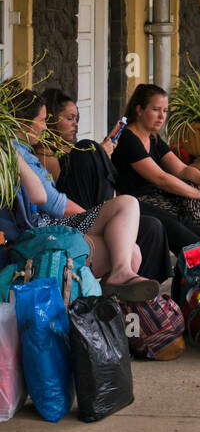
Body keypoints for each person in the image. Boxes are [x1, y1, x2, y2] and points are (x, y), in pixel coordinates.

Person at [11, 91, 160, 299]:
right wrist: (97, 217)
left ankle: (116, 286)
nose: (44, 127)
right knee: (127, 204)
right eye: (42, 121)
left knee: (134, 246)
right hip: (43, 233)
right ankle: (118, 279)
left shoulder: (24, 151)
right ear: (23, 123)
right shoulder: (15, 152)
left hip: (54, 224)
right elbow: (46, 199)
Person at [112, 84, 200, 251]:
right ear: (139, 109)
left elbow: (182, 169)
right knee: (189, 203)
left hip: (157, 197)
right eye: (156, 109)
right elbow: (160, 179)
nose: (162, 117)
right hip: (137, 202)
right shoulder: (127, 138)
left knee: (190, 192)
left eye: (165, 111)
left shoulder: (153, 138)